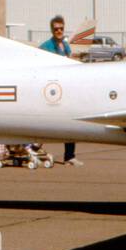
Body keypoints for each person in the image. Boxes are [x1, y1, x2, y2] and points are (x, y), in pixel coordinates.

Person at [39, 16, 78, 165]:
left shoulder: (66, 46)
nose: (59, 31)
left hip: (64, 91)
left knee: (69, 123)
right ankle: (31, 149)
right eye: (56, 29)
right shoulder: (46, 47)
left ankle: (69, 156)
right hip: (50, 92)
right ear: (52, 30)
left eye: (61, 28)